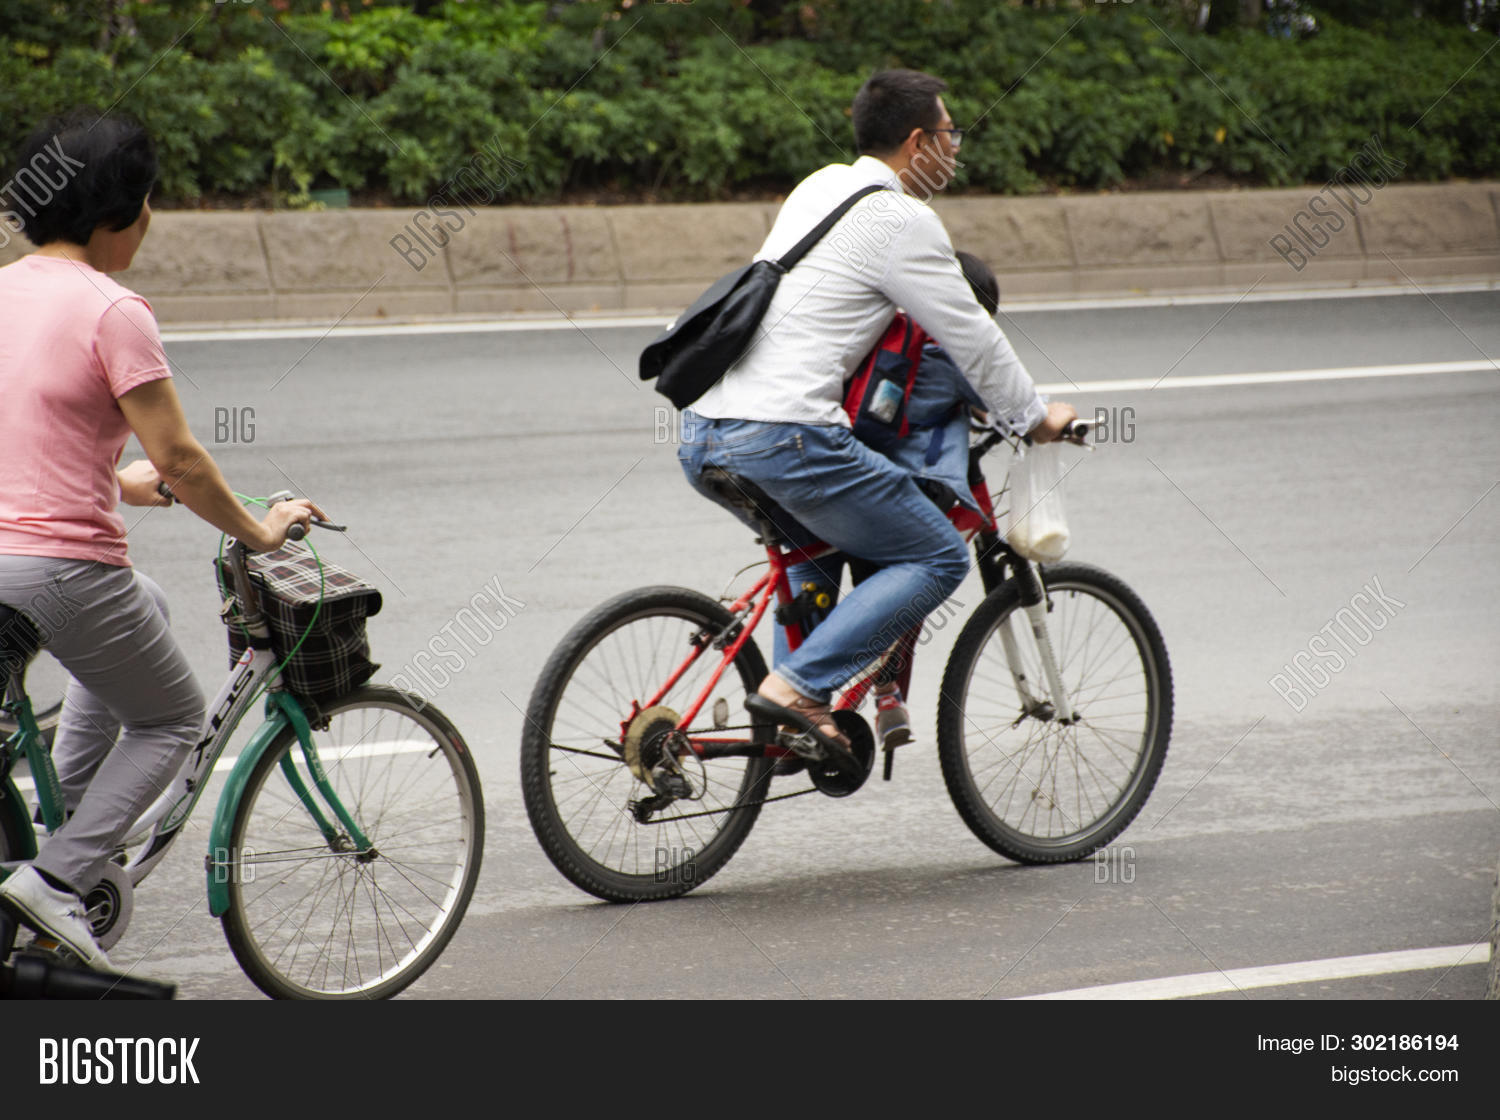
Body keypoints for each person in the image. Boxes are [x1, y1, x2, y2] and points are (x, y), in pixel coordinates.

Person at [0, 110, 321, 970]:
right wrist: (259, 530)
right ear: (115, 212)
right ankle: (56, 879)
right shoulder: (115, 311)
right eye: (146, 199)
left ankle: (66, 814)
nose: (151, 217)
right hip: (60, 570)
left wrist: (114, 481)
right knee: (174, 718)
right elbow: (179, 455)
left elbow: (29, 429)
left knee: (147, 603)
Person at [678, 69, 1075, 755]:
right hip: (785, 437)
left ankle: (791, 727)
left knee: (814, 549)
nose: (956, 147)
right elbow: (971, 336)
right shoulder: (903, 221)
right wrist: (1033, 416)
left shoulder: (818, 187)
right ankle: (796, 690)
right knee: (937, 556)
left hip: (702, 431)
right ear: (919, 142)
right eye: (950, 133)